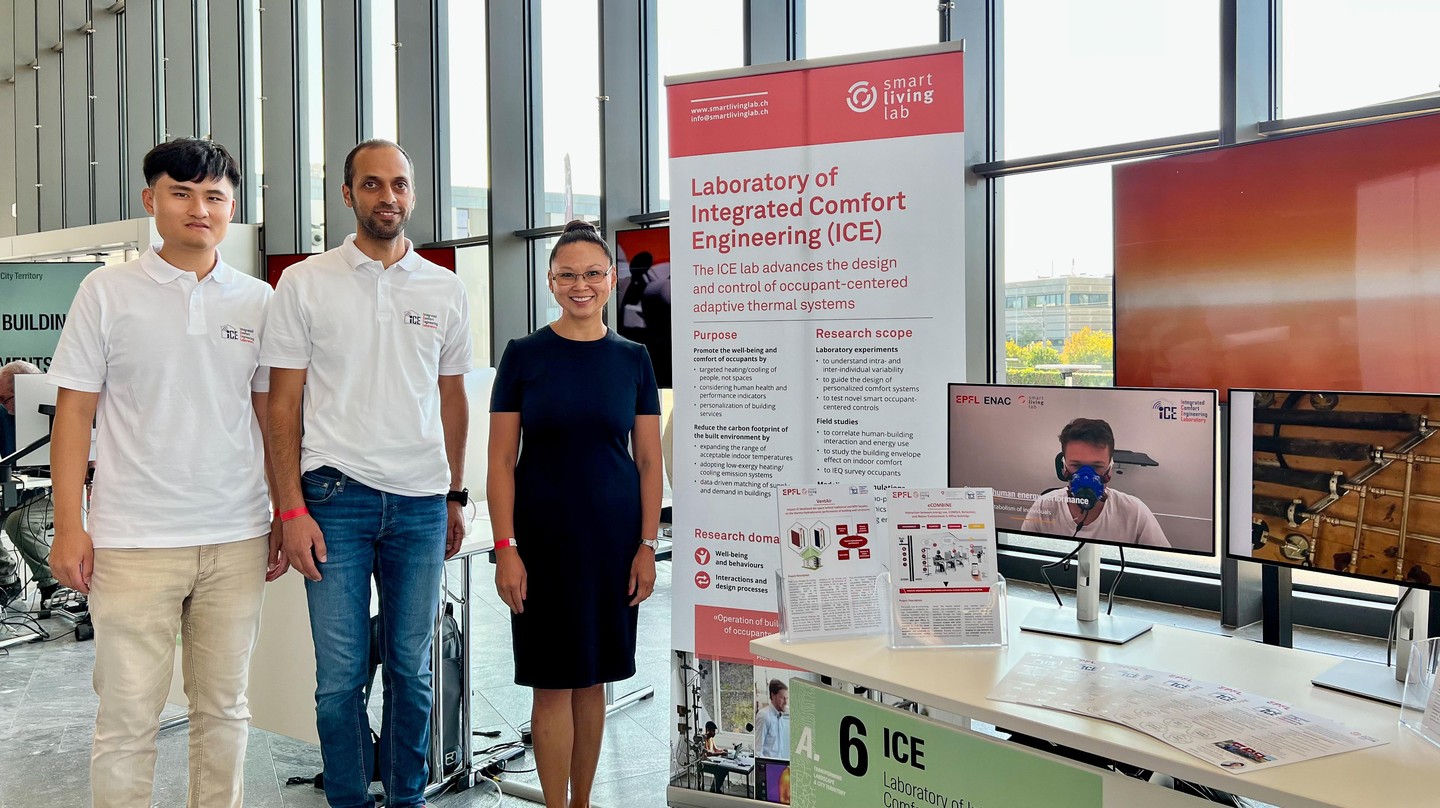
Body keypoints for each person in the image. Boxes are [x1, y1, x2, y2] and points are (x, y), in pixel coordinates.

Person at [46, 138, 284, 808]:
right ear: (152, 200)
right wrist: (72, 525)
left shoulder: (258, 301)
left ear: (231, 209)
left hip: (235, 536)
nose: (198, 208)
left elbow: (271, 419)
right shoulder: (106, 291)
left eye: (213, 196)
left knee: (225, 712)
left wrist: (278, 513)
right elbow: (74, 415)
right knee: (126, 721)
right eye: (181, 193)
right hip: (132, 539)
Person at [262, 138, 472, 808]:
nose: (390, 198)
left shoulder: (444, 287)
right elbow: (283, 406)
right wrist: (289, 510)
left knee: (412, 674)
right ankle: (350, 799)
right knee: (340, 679)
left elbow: (452, 399)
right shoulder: (303, 282)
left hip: (418, 504)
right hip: (333, 500)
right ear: (348, 194)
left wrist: (455, 497)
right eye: (374, 185)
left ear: (413, 193)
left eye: (401, 185)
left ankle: (407, 798)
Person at [488, 219, 662, 808]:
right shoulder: (523, 356)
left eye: (592, 273)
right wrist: (505, 549)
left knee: (594, 681)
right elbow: (500, 462)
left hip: (612, 544)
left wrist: (646, 545)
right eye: (567, 275)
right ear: (551, 281)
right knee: (550, 682)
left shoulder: (634, 360)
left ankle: (582, 802)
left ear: (610, 280)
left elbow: (647, 462)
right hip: (541, 542)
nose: (580, 284)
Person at [1020, 418, 1170, 547]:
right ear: (1064, 467)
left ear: (1110, 469)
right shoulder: (1044, 506)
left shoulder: (1134, 512)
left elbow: (1163, 565)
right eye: (1076, 465)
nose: (1086, 476)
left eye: (1097, 466)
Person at [0, 360, 63, 608]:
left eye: (6, 399)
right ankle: (6, 577)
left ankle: (52, 583)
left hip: (55, 490)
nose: (3, 405)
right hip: (20, 487)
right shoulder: (3, 414)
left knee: (19, 522)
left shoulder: (59, 410)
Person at [755, 679, 790, 759]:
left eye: (786, 698)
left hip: (779, 765)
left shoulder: (780, 717)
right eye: (782, 698)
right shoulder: (764, 716)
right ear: (773, 696)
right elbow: (758, 751)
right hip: (768, 767)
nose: (786, 702)